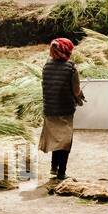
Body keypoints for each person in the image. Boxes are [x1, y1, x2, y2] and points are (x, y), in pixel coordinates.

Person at [38, 37, 85, 181]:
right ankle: (61, 173)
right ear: (67, 50)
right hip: (64, 110)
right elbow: (76, 90)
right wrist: (80, 96)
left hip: (50, 109)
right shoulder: (70, 67)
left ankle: (53, 167)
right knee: (65, 141)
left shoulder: (46, 66)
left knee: (55, 138)